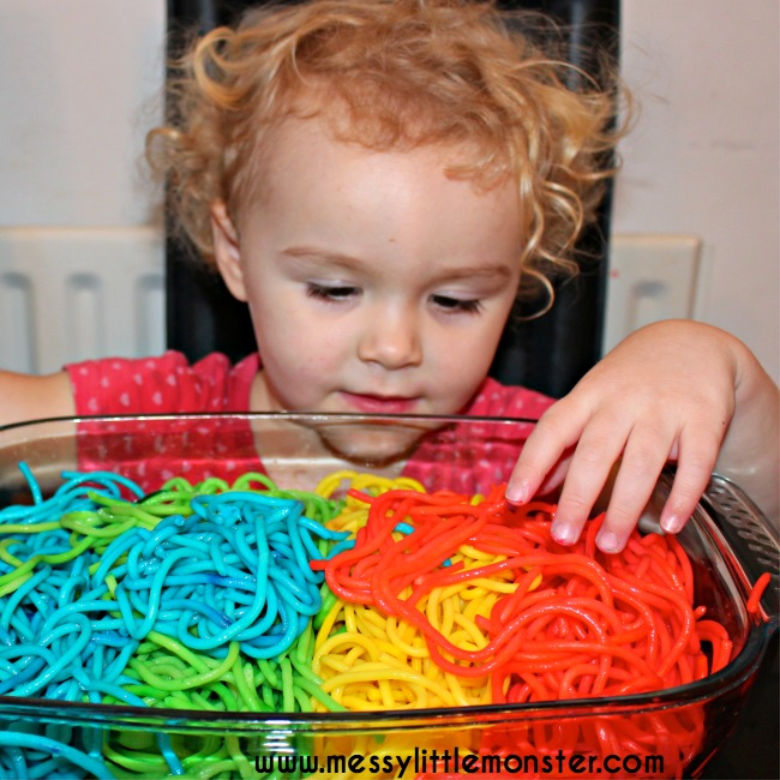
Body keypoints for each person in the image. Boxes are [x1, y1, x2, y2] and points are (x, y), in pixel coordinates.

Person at [0, 0, 777, 554]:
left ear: (517, 276)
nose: (394, 347)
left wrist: (714, 365)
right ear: (234, 253)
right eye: (335, 290)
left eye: (455, 300)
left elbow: (762, 530)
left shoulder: (538, 459)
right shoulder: (164, 421)